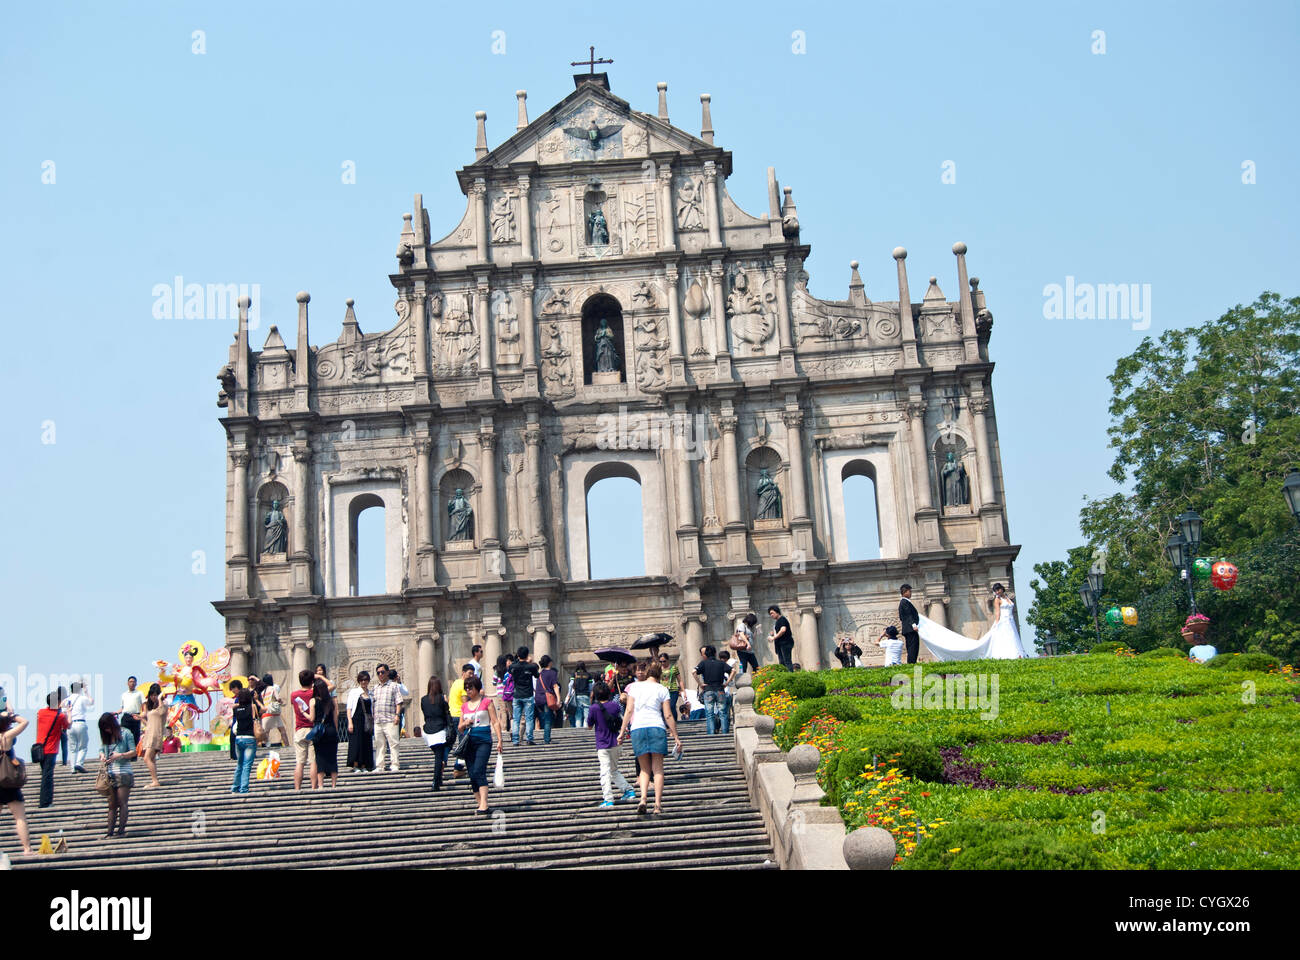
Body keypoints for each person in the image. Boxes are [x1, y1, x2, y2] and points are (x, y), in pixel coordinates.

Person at [618, 661, 681, 816]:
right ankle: (657, 805)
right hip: (656, 727)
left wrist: (621, 732)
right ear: (659, 676)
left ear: (646, 673)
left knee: (644, 770)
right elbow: (667, 715)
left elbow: (629, 710)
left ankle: (643, 799)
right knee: (657, 769)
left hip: (637, 728)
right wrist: (676, 736)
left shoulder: (634, 687)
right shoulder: (662, 689)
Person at [455, 676, 504, 815]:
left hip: (484, 740)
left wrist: (500, 740)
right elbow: (459, 727)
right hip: (469, 741)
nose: (468, 690)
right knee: (471, 774)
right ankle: (480, 803)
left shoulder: (487, 702)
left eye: (471, 687)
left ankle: (484, 804)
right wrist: (465, 723)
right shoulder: (464, 706)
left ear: (477, 687)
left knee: (478, 770)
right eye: (466, 688)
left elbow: (494, 721)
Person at [588, 681, 636, 808]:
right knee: (613, 770)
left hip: (603, 744)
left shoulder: (593, 708)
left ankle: (608, 798)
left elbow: (589, 726)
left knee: (605, 772)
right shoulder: (615, 706)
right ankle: (628, 790)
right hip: (616, 742)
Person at [96, 712, 135, 838]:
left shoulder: (126, 733)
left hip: (124, 772)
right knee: (112, 805)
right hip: (110, 773)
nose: (107, 730)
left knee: (122, 802)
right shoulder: (106, 737)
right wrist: (102, 755)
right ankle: (110, 832)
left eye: (108, 727)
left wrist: (120, 755)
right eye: (104, 729)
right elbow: (102, 749)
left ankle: (121, 830)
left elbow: (134, 752)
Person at [0, 713, 32, 855]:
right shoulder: (6, 736)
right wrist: (12, 716)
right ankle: (27, 848)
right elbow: (25, 722)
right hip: (7, 781)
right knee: (19, 817)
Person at [34, 691, 68, 808]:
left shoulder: (41, 712)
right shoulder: (60, 716)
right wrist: (67, 711)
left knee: (45, 774)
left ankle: (45, 800)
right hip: (51, 749)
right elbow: (67, 726)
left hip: (39, 748)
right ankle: (45, 802)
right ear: (57, 702)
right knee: (47, 776)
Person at [421, 677, 453, 790]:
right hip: (439, 730)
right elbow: (447, 713)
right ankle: (435, 781)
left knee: (438, 756)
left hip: (428, 731)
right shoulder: (442, 698)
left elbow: (425, 715)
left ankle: (438, 779)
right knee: (439, 758)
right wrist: (446, 702)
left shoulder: (423, 700)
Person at [370, 664, 403, 772]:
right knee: (379, 744)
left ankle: (395, 764)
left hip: (390, 719)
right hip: (378, 720)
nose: (380, 674)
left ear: (388, 672)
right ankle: (380, 765)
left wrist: (397, 715)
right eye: (378, 672)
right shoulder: (375, 687)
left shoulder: (394, 685)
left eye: (382, 672)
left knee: (393, 743)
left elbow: (399, 701)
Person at [694, 645, 732, 735]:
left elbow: (693, 672)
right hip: (720, 690)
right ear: (715, 653)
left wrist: (700, 684)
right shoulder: (721, 663)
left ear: (706, 653)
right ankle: (725, 732)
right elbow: (733, 670)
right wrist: (727, 683)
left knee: (709, 713)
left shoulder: (703, 663)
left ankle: (711, 733)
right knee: (722, 712)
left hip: (708, 690)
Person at [309, 678, 339, 789]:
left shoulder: (313, 701)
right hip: (331, 730)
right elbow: (335, 718)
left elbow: (312, 718)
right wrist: (335, 732)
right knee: (332, 758)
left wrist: (303, 712)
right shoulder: (332, 701)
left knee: (320, 758)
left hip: (319, 732)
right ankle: (333, 784)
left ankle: (321, 785)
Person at [290, 669, 316, 790]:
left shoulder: (294, 695)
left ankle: (297, 788)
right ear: (312, 681)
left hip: (300, 729)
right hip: (312, 729)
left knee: (300, 762)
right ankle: (313, 787)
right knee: (313, 762)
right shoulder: (314, 693)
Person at [448, 663, 475, 777]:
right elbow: (465, 703)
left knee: (456, 742)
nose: (471, 676)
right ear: (463, 673)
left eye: (472, 674)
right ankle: (458, 767)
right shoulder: (464, 684)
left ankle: (455, 765)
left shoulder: (455, 682)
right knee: (464, 742)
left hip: (452, 714)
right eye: (469, 673)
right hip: (460, 716)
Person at [509, 647, 539, 746]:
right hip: (528, 695)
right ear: (527, 655)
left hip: (517, 695)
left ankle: (515, 740)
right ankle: (529, 739)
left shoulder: (513, 667)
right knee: (529, 718)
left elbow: (510, 668)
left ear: (518, 655)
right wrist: (529, 662)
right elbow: (537, 676)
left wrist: (519, 660)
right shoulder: (531, 667)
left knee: (516, 719)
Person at [346, 671, 375, 772]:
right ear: (359, 681)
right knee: (356, 743)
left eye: (366, 680)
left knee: (366, 742)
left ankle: (364, 765)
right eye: (362, 680)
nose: (364, 682)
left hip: (367, 721)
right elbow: (349, 708)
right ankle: (355, 765)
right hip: (356, 720)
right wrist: (350, 722)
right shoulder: (354, 692)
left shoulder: (371, 693)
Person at [230, 689, 258, 794]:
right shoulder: (252, 707)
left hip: (238, 738)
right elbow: (258, 715)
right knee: (247, 765)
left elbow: (236, 707)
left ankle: (235, 787)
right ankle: (244, 788)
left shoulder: (236, 709)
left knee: (239, 764)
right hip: (249, 738)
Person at [63, 680, 95, 773]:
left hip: (70, 724)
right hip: (81, 723)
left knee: (72, 748)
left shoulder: (67, 699)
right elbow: (91, 701)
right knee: (83, 746)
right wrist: (86, 691)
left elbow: (61, 706)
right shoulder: (82, 698)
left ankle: (72, 768)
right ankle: (79, 764)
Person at [141, 682, 167, 788]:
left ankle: (155, 781)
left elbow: (161, 712)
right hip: (149, 734)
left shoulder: (163, 706)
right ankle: (154, 780)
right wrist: (141, 718)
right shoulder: (151, 708)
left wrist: (160, 698)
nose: (153, 697)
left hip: (156, 735)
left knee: (146, 758)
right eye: (152, 695)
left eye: (155, 695)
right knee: (151, 759)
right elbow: (149, 722)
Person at [260, 674, 290, 747]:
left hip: (267, 713)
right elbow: (278, 698)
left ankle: (267, 746)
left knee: (266, 732)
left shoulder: (262, 692)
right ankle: (287, 746)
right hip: (275, 713)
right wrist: (281, 701)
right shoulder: (273, 689)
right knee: (282, 731)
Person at [537, 655, 561, 744]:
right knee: (548, 719)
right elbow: (555, 686)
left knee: (543, 718)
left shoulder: (540, 673)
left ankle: (545, 735)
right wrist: (558, 699)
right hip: (547, 699)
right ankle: (547, 739)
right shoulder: (552, 673)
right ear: (549, 663)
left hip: (538, 698)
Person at [899, 584, 921, 665]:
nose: (911, 593)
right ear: (905, 592)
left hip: (908, 629)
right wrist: (913, 625)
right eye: (909, 591)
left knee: (913, 647)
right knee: (913, 648)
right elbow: (908, 615)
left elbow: (902, 617)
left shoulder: (904, 602)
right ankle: (912, 664)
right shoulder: (904, 602)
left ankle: (912, 663)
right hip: (910, 629)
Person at [768, 606, 794, 671]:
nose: (771, 615)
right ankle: (784, 675)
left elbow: (783, 630)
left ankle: (790, 676)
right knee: (782, 662)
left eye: (772, 613)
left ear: (777, 612)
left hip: (785, 643)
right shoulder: (778, 621)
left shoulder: (782, 619)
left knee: (787, 661)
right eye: (770, 614)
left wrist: (774, 637)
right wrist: (773, 634)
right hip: (780, 644)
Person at [119, 676, 144, 745]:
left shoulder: (139, 693)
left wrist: (142, 715)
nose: (132, 683)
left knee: (135, 737)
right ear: (127, 683)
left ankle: (133, 752)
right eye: (130, 682)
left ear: (136, 683)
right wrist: (117, 712)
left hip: (135, 716)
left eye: (134, 682)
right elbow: (122, 708)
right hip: (126, 716)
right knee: (124, 735)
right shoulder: (124, 694)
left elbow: (144, 706)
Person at [568, 663, 592, 729]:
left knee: (578, 715)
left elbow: (570, 685)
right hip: (586, 696)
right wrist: (590, 694)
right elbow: (590, 687)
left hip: (577, 696)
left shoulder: (574, 674)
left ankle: (578, 730)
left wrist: (569, 694)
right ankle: (585, 730)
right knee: (586, 715)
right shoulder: (588, 675)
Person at [494, 655, 514, 735]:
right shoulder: (508, 671)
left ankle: (504, 728)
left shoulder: (496, 671)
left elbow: (494, 682)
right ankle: (513, 727)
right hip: (508, 693)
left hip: (500, 694)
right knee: (510, 711)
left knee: (503, 711)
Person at [659, 654, 681, 720]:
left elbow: (680, 680)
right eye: (661, 662)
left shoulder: (674, 668)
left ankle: (674, 720)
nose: (662, 663)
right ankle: (666, 722)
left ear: (668, 660)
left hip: (673, 690)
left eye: (664, 661)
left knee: (672, 706)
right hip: (663, 690)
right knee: (663, 707)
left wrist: (683, 690)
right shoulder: (659, 669)